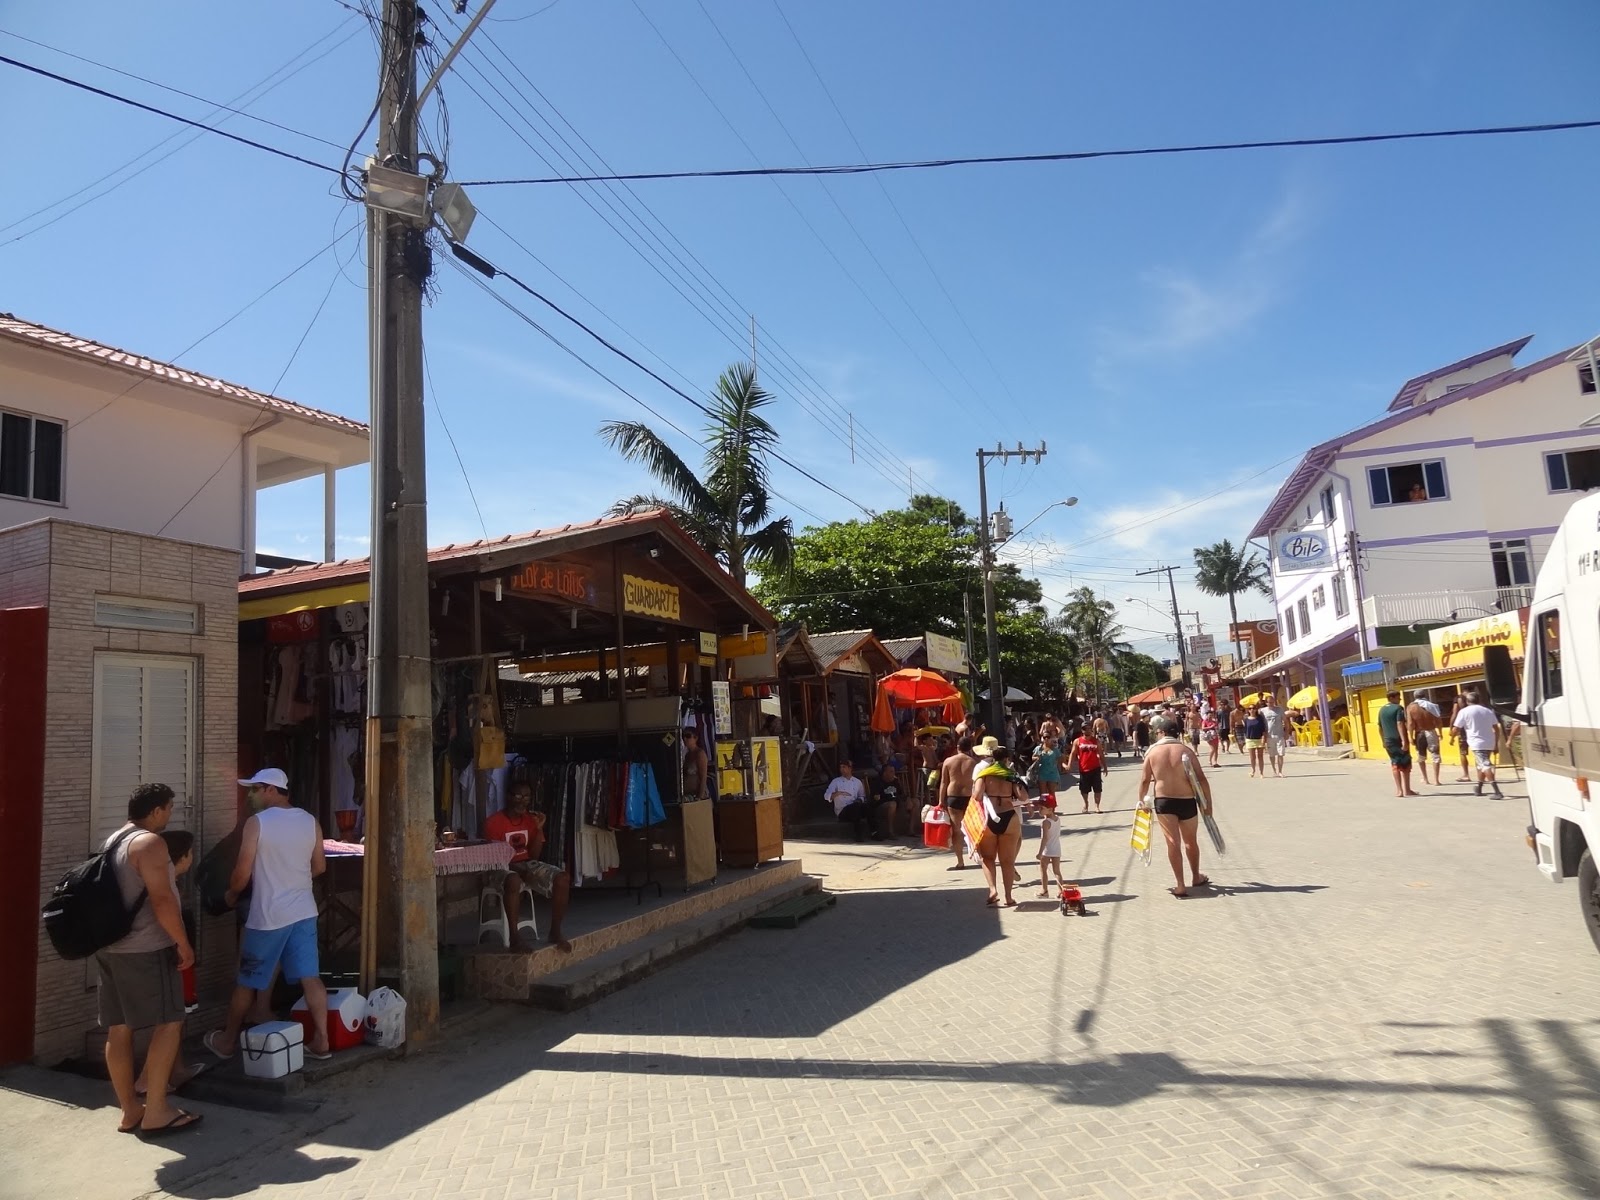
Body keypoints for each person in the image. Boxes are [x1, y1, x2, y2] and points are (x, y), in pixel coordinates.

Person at [204, 769, 331, 1062]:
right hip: (303, 911)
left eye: (254, 789)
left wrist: (232, 895)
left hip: (268, 915)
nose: (250, 795)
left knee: (247, 980)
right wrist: (295, 880)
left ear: (271, 790)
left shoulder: (257, 823)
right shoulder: (309, 821)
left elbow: (241, 873)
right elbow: (320, 867)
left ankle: (226, 1041)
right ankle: (322, 1040)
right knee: (310, 978)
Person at [96, 783, 201, 1137]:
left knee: (119, 1028)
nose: (170, 815)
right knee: (170, 1022)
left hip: (111, 947)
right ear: (156, 811)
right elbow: (162, 900)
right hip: (146, 947)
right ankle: (156, 1110)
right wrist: (183, 943)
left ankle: (130, 1111)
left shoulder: (113, 841)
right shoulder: (151, 843)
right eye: (169, 808)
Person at [484, 780, 574, 950]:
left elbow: (534, 855)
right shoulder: (493, 822)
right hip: (500, 866)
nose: (522, 801)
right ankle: (514, 938)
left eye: (526, 797)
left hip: (526, 864)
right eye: (518, 796)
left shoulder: (530, 820)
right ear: (508, 797)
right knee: (513, 880)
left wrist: (539, 829)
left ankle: (555, 931)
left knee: (562, 878)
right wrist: (518, 869)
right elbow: (493, 858)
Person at [1138, 716, 1213, 897]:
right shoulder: (1185, 750)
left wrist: (1141, 801)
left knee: (1172, 842)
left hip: (1164, 801)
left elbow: (1145, 779)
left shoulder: (1153, 753)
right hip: (1187, 799)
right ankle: (1195, 876)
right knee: (1191, 841)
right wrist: (1207, 804)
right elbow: (1201, 778)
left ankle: (1180, 884)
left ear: (1161, 732)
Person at [973, 747, 1029, 906]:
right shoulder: (1011, 775)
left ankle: (992, 889)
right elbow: (1024, 797)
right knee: (1008, 861)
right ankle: (1009, 897)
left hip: (990, 818)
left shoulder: (983, 774)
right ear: (1006, 759)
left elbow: (976, 796)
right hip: (1009, 817)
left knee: (988, 858)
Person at [938, 736, 981, 870]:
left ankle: (960, 861)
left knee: (957, 831)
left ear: (957, 747)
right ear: (970, 748)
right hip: (969, 797)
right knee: (974, 828)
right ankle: (979, 857)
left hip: (953, 796)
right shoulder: (974, 762)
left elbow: (944, 782)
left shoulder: (948, 761)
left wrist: (940, 801)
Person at [1453, 690, 1505, 798]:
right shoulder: (1487, 711)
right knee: (1481, 764)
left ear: (1467, 701)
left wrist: (1452, 735)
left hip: (1477, 743)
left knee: (1485, 765)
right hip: (1489, 742)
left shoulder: (1464, 712)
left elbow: (1456, 728)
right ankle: (1479, 788)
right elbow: (1496, 728)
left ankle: (1497, 791)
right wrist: (1495, 742)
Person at [828, 760, 889, 840]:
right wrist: (837, 793)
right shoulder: (836, 782)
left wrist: (859, 800)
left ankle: (874, 832)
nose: (842, 769)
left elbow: (862, 796)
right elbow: (827, 796)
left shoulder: (857, 782)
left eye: (844, 767)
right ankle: (858, 834)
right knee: (855, 808)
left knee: (868, 807)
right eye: (841, 767)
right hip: (843, 811)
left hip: (856, 807)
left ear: (850, 768)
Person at [1376, 690, 1417, 798]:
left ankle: (1399, 790)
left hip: (1388, 740)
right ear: (1392, 698)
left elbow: (1380, 727)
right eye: (1398, 698)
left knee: (1395, 763)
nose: (1399, 700)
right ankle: (1407, 789)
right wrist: (1404, 740)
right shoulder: (1398, 708)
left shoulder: (1382, 710)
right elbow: (1400, 723)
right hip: (1398, 739)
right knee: (1406, 763)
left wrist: (1383, 741)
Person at [1406, 693, 1444, 786]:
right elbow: (1438, 721)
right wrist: (1440, 732)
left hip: (1420, 733)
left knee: (1421, 756)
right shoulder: (1431, 706)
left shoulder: (1411, 707)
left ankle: (1425, 778)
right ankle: (1436, 780)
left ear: (1415, 696)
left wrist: (1410, 736)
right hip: (1431, 731)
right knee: (1435, 756)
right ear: (1425, 695)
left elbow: (1410, 724)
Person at [1067, 726, 1105, 814]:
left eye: (1088, 729)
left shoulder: (1096, 741)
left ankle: (1097, 806)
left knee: (1098, 788)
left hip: (1095, 767)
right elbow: (1073, 754)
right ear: (1082, 730)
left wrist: (1105, 766)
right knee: (1084, 789)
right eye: (1085, 729)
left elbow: (1101, 753)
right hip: (1083, 768)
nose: (1087, 730)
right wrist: (1069, 765)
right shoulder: (1078, 741)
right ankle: (1086, 804)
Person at [1033, 794, 1065, 898]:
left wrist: (1039, 852)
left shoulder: (1045, 822)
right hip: (1056, 849)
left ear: (1050, 809)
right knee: (1057, 871)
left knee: (1043, 869)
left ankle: (1044, 890)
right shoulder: (1057, 819)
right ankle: (1061, 891)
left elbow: (1044, 838)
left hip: (1047, 850)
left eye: (1042, 808)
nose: (1039, 810)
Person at [872, 761, 912, 840]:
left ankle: (911, 830)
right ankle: (891, 832)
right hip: (882, 806)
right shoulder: (877, 782)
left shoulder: (895, 781)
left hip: (897, 803)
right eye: (891, 772)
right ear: (884, 773)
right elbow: (875, 798)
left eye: (893, 771)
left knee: (916, 802)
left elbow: (902, 794)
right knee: (892, 804)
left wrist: (908, 799)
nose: (893, 773)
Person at [1259, 698, 1289, 779]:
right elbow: (1259, 722)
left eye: (1272, 702)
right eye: (1269, 702)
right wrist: (1262, 736)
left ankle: (1280, 771)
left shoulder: (1279, 710)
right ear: (1266, 703)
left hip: (1279, 735)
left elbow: (1286, 721)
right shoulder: (1262, 711)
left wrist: (1287, 732)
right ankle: (1274, 770)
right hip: (1269, 736)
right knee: (1271, 754)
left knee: (1280, 753)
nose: (1271, 704)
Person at [1030, 734, 1064, 807]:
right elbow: (1032, 757)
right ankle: (1043, 808)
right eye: (1044, 737)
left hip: (1052, 772)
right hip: (1042, 772)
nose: (1046, 739)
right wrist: (1037, 758)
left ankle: (1052, 808)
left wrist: (1061, 766)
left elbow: (1060, 758)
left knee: (1052, 792)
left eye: (1048, 737)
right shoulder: (1039, 748)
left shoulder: (1054, 749)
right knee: (1043, 793)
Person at [1447, 693, 1474, 781]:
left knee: (1463, 753)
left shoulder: (1461, 712)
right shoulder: (1475, 709)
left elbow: (1456, 724)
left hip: (1463, 734)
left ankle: (1466, 774)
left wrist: (1451, 735)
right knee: (1477, 754)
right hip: (1474, 734)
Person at [681, 727, 710, 800]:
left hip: (697, 795)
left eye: (688, 736)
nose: (685, 739)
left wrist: (700, 796)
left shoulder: (700, 754)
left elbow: (703, 777)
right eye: (683, 736)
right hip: (688, 794)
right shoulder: (687, 755)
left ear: (695, 738)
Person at [1243, 705, 1267, 777]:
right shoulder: (1246, 720)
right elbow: (1245, 730)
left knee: (1260, 757)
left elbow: (1263, 730)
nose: (1252, 710)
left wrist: (1264, 739)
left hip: (1259, 739)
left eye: (1253, 708)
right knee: (1252, 757)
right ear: (1248, 710)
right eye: (1250, 708)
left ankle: (1261, 772)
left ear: (1256, 709)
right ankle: (1253, 770)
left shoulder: (1260, 719)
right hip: (1250, 740)